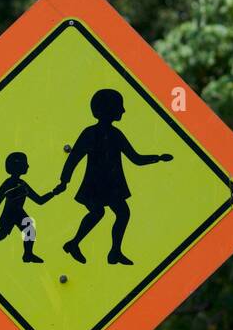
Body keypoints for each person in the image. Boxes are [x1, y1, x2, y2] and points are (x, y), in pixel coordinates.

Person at [53, 88, 172, 265]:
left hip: (111, 185)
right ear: (109, 109)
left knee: (122, 213)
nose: (123, 110)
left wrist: (158, 158)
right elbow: (74, 157)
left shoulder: (116, 134)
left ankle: (113, 251)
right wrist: (64, 181)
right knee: (99, 212)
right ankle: (75, 244)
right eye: (119, 106)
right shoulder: (91, 133)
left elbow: (136, 158)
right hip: (94, 185)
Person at [0, 151, 56, 263]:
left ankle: (28, 254)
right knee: (3, 232)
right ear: (17, 166)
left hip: (18, 212)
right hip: (10, 211)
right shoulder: (9, 182)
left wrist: (53, 193)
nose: (28, 166)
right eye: (25, 163)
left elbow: (39, 200)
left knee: (29, 230)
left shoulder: (23, 184)